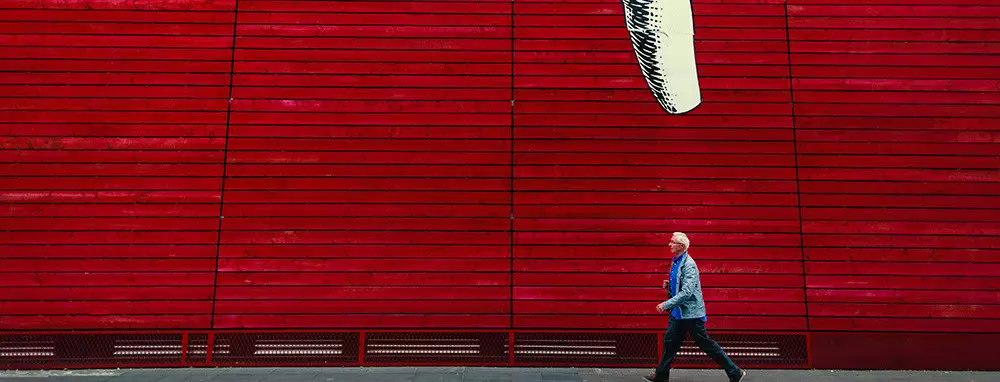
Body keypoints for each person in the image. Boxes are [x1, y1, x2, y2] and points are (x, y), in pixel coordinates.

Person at [644, 232, 746, 382]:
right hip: (678, 314)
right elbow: (681, 285)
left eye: (672, 242)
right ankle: (661, 375)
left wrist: (665, 304)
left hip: (690, 315)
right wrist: (670, 286)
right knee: (669, 343)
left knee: (706, 345)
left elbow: (686, 293)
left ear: (682, 246)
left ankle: (735, 372)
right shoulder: (677, 261)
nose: (669, 245)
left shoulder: (689, 265)